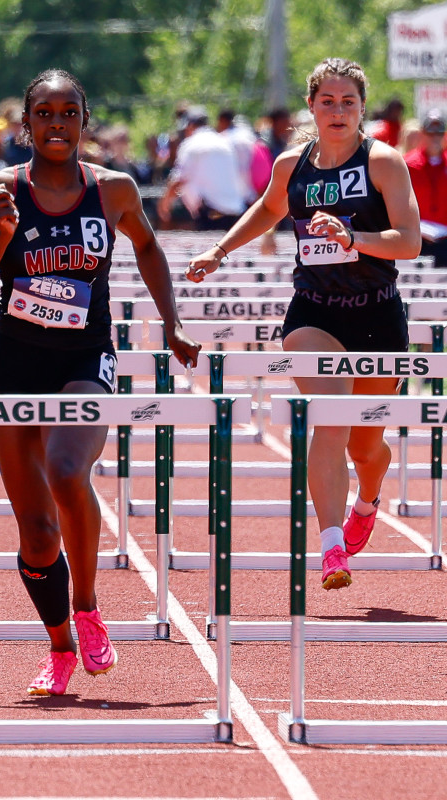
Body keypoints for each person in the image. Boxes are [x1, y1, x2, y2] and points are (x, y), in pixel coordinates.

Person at [0, 70, 200, 697]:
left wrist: (171, 321)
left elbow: (147, 247)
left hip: (85, 356)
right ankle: (58, 645)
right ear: (26, 124)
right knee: (35, 531)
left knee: (66, 470)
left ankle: (86, 607)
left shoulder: (113, 190)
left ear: (83, 121)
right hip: (12, 363)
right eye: (45, 114)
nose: (57, 124)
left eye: (68, 113)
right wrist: (1, 239)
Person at [186, 58, 422, 591]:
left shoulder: (383, 163)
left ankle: (368, 498)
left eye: (349, 102)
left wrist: (352, 238)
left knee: (367, 447)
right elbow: (268, 210)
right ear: (311, 105)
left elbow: (408, 242)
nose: (338, 111)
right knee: (331, 415)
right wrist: (219, 250)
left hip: (378, 314)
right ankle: (332, 545)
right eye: (327, 101)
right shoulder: (292, 165)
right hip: (314, 311)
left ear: (362, 108)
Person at [158, 106, 248, 230]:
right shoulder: (224, 142)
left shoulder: (191, 144)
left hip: (211, 214)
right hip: (236, 211)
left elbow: (179, 179)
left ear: (190, 125)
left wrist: (164, 205)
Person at [403, 109, 447, 266]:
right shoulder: (407, 164)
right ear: (422, 133)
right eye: (430, 132)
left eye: (439, 132)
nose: (435, 137)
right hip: (417, 240)